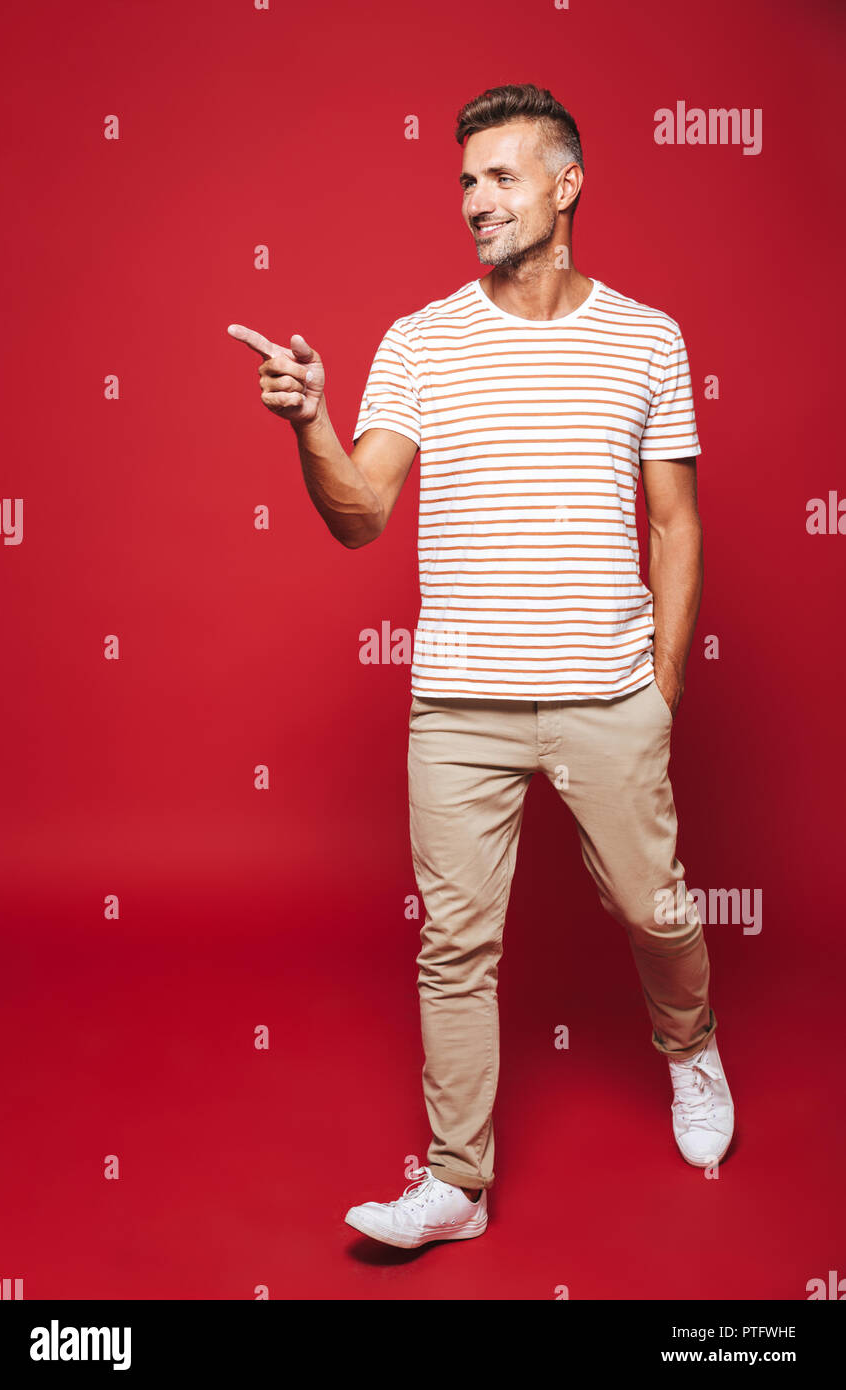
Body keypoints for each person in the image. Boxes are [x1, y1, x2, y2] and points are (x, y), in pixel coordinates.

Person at [227, 82, 735, 1252]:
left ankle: (690, 1047)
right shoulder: (420, 341)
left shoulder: (645, 336)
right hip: (457, 708)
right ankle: (456, 1181)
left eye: (499, 177)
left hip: (609, 695)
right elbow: (360, 513)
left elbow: (676, 526)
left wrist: (657, 691)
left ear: (567, 185)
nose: (473, 201)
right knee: (453, 944)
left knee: (652, 909)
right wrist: (310, 423)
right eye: (464, 180)